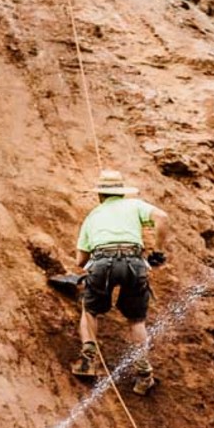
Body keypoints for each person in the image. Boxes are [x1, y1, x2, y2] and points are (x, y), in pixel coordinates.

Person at [72, 169, 169, 395]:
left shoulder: (92, 216)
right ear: (122, 193)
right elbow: (162, 218)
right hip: (134, 262)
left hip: (101, 262)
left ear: (100, 195)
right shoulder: (134, 206)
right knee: (136, 320)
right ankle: (144, 374)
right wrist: (158, 251)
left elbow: (80, 260)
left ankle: (88, 360)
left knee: (90, 309)